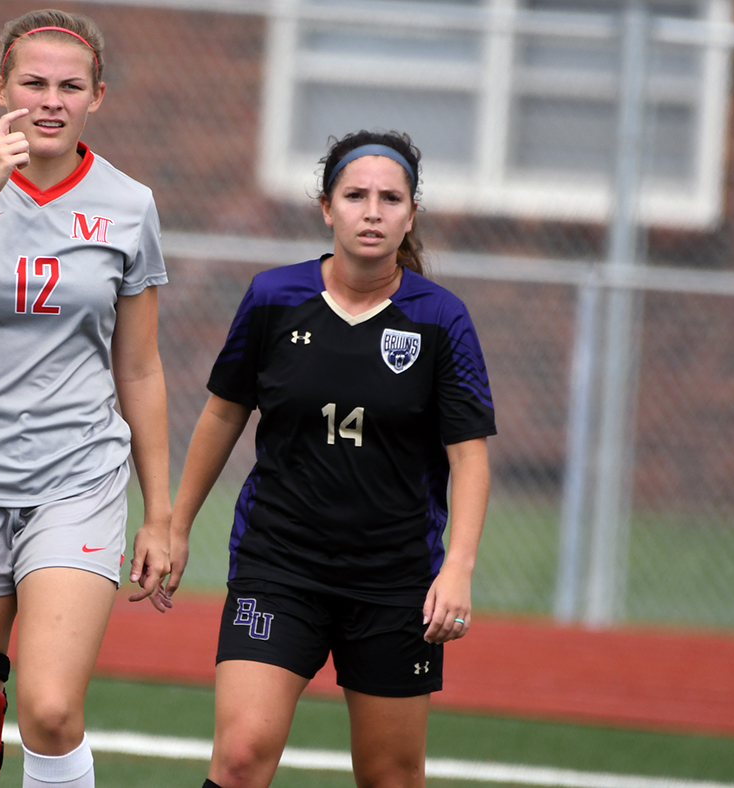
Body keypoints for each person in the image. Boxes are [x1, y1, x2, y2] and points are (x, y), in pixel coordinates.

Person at [0, 9, 173, 788]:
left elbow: (141, 370)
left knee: (49, 708)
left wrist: (160, 513)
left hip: (73, 479)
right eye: (33, 83)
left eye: (70, 86)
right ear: (0, 88)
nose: (51, 100)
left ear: (97, 97)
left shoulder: (128, 204)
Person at [165, 130, 495, 788]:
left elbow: (470, 459)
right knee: (239, 756)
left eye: (389, 198)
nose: (372, 211)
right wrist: (175, 526)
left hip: (394, 580)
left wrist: (456, 569)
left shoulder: (441, 320)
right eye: (355, 196)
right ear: (326, 208)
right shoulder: (273, 299)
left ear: (410, 214)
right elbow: (223, 414)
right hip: (279, 563)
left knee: (390, 777)